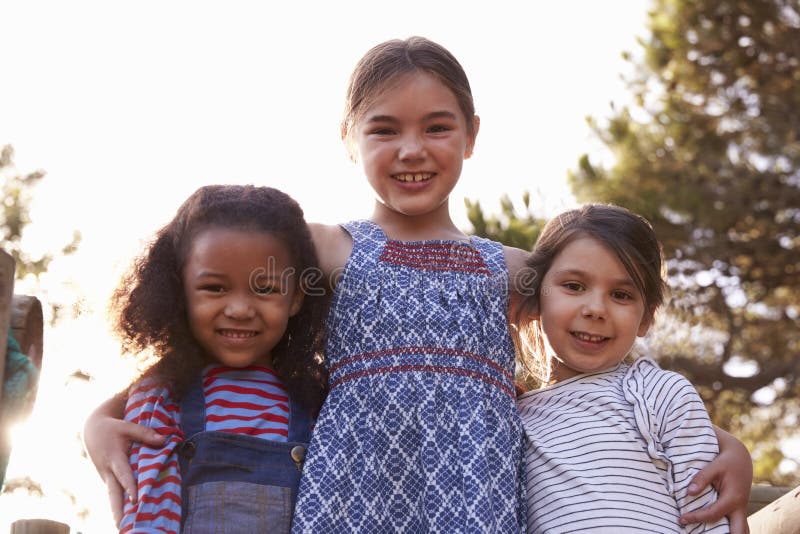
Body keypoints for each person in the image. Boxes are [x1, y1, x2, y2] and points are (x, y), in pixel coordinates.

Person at [83, 37, 752, 532]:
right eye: (384, 129)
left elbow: (606, 347)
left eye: (437, 127)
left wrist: (724, 442)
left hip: (477, 491)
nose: (412, 148)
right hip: (352, 487)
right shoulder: (323, 250)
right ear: (348, 138)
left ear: (471, 136)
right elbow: (225, 313)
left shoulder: (517, 269)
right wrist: (103, 415)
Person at [111, 185, 326, 533]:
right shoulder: (160, 399)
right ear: (179, 291)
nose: (240, 309)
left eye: (266, 289)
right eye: (215, 288)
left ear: (297, 298)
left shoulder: (318, 403)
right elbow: (148, 515)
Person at [515, 203, 730, 533]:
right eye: (573, 286)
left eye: (620, 294)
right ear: (534, 297)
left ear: (646, 317)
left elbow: (705, 518)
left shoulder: (661, 394)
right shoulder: (510, 418)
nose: (596, 309)